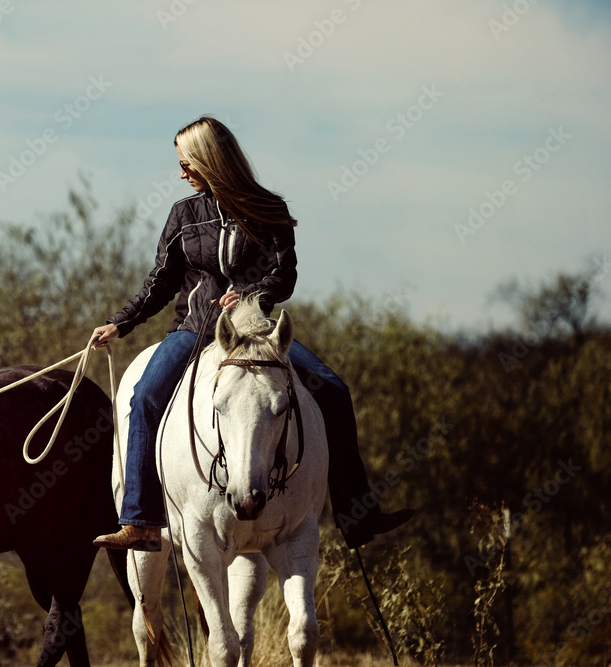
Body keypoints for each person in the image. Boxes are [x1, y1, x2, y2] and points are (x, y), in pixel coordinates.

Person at [91, 116, 414, 552]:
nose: (181, 172)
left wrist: (251, 294)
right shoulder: (184, 215)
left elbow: (285, 275)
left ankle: (357, 515)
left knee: (334, 390)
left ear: (210, 160)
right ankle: (141, 521)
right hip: (194, 330)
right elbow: (161, 282)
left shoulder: (268, 209)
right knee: (145, 396)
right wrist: (122, 321)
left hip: (257, 334)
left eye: (187, 163)